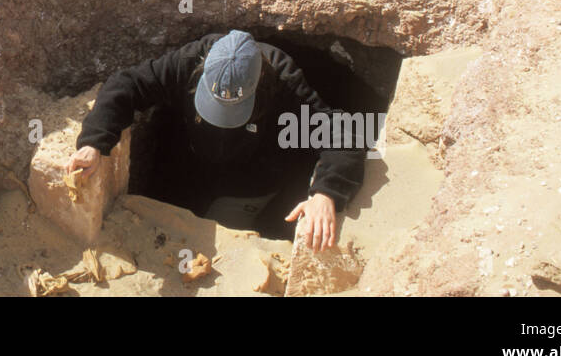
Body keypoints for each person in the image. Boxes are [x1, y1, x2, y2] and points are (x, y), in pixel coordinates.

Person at [65, 30, 367, 252]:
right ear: (203, 71)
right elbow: (126, 84)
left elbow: (344, 132)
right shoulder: (188, 61)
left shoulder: (285, 83)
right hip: (193, 165)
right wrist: (93, 143)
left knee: (218, 253)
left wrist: (326, 194)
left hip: (250, 181)